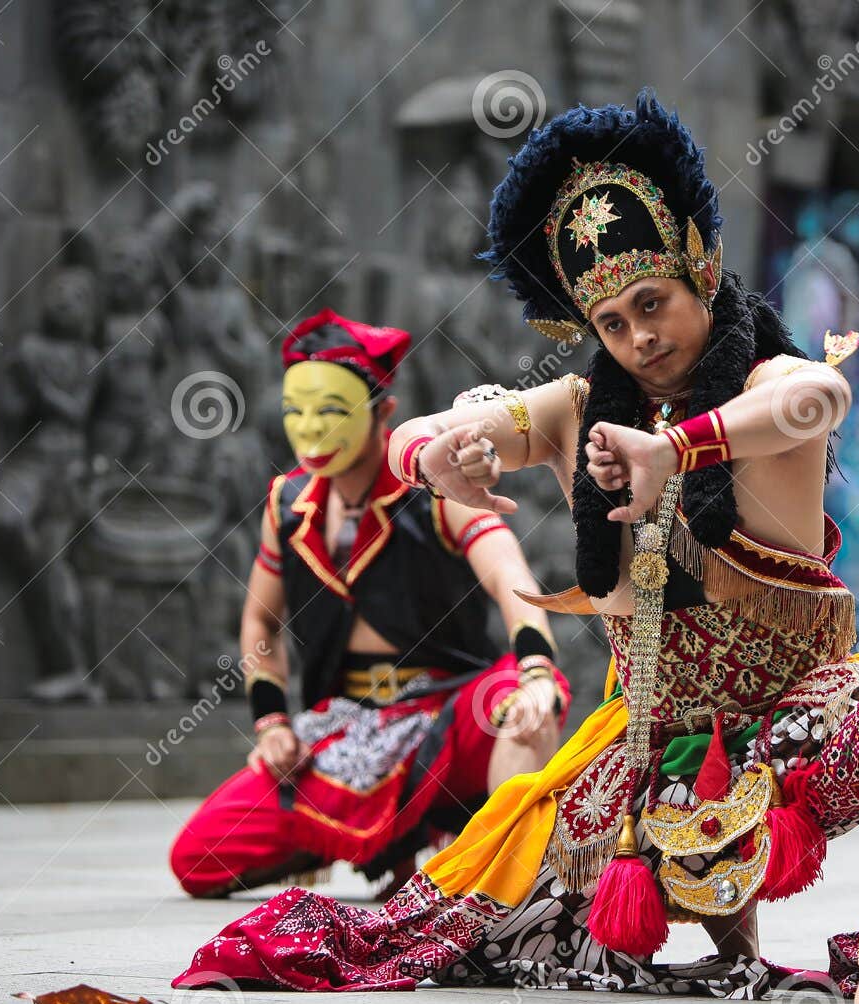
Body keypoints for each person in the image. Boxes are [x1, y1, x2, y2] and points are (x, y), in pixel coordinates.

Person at [174, 95, 859, 1004]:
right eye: (611, 322)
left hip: (799, 724)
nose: (640, 337)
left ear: (703, 271)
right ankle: (724, 941)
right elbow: (449, 426)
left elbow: (824, 399)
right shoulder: (575, 408)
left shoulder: (770, 383)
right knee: (454, 933)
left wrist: (679, 450)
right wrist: (430, 457)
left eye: (654, 303)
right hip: (642, 760)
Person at [169, 309, 569, 899]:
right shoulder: (289, 503)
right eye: (295, 413)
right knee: (198, 857)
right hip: (345, 724)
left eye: (330, 412)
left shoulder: (434, 486)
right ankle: (369, 838)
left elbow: (510, 576)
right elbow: (260, 620)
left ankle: (508, 892)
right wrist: (272, 720)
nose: (309, 431)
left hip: (448, 711)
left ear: (383, 412)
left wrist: (536, 671)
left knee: (515, 701)